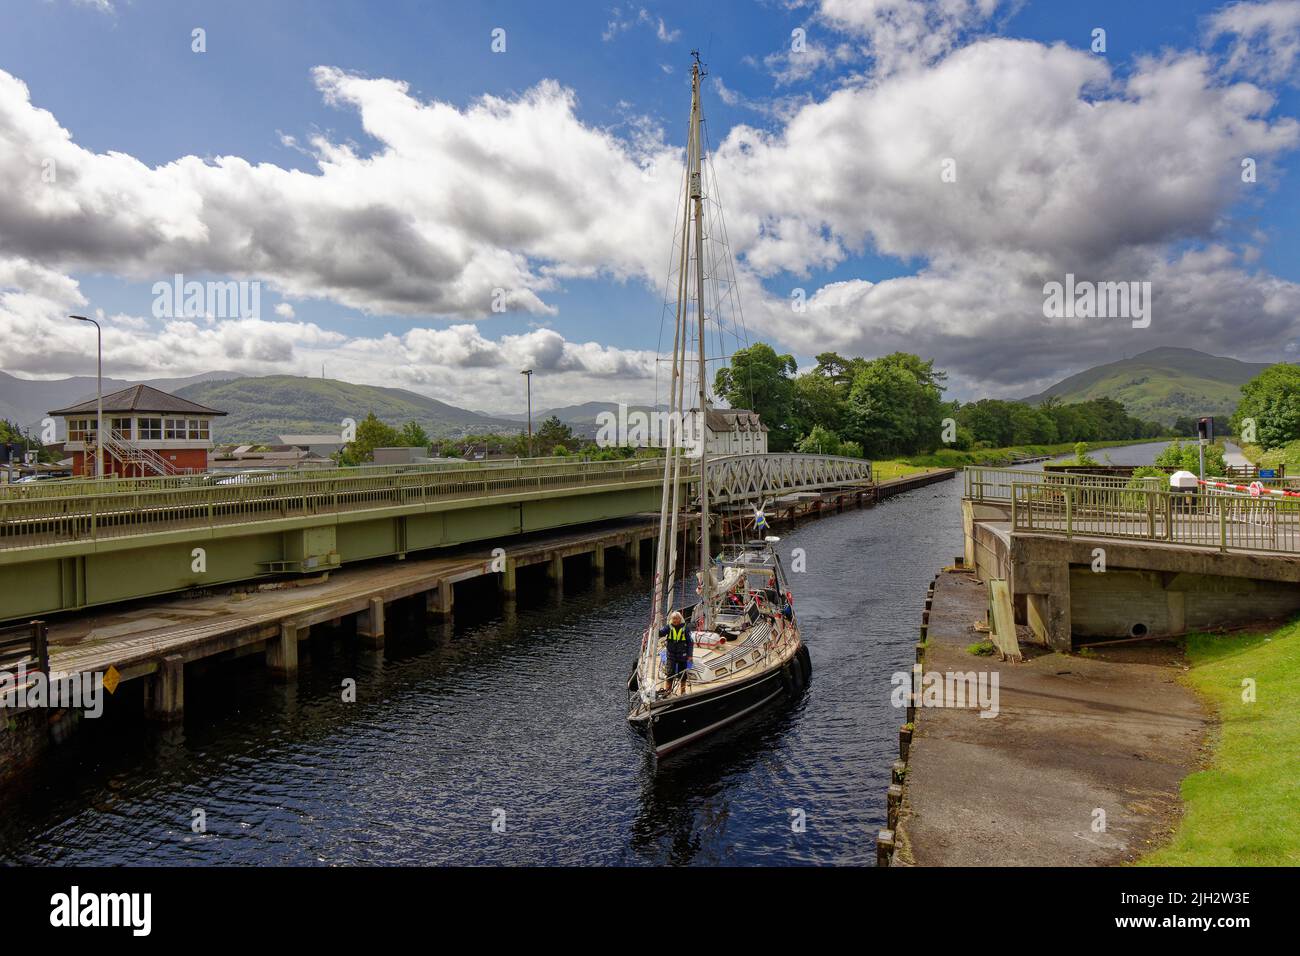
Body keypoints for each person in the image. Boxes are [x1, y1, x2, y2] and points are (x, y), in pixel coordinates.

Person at [658, 609, 693, 692]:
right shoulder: (668, 627)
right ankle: (668, 691)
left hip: (682, 655)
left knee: (683, 674)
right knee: (670, 673)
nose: (675, 620)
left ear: (680, 619)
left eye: (677, 618)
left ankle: (683, 691)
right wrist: (657, 624)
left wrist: (690, 655)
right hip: (671, 655)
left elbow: (690, 643)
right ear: (671, 619)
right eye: (673, 618)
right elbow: (660, 633)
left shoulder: (685, 629)